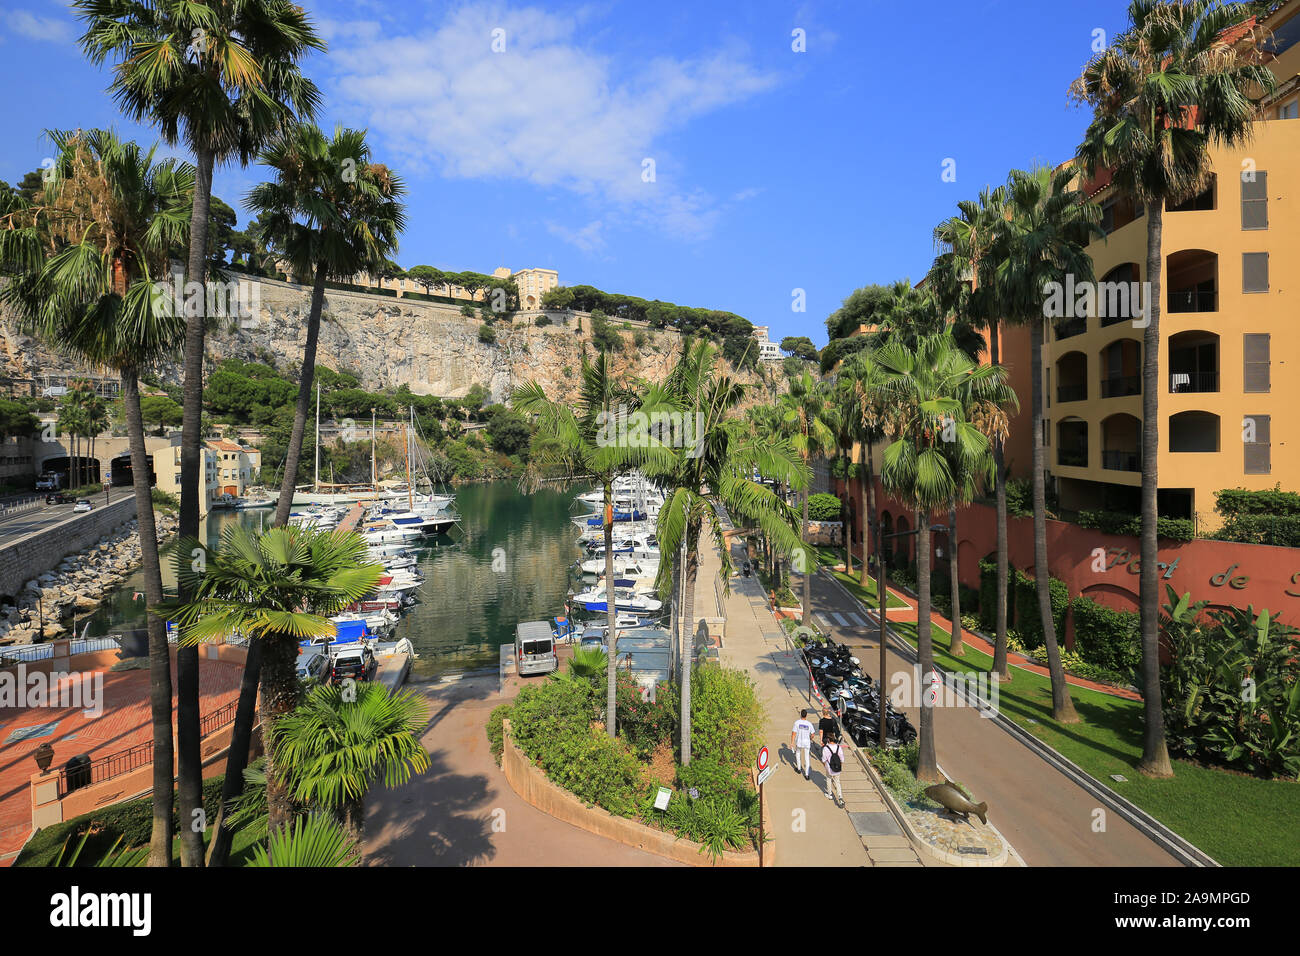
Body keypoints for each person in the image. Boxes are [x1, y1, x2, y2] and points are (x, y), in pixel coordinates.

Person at [822, 731, 848, 806]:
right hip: (837, 768)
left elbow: (823, 760)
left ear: (828, 740)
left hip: (829, 768)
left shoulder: (826, 748)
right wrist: (839, 766)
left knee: (829, 779)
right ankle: (840, 796)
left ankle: (829, 794)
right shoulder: (838, 747)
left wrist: (826, 766)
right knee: (837, 782)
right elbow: (842, 759)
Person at [789, 709, 815, 779]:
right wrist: (810, 738)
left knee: (798, 754)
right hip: (807, 743)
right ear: (806, 715)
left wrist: (792, 743)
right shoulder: (809, 724)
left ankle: (799, 769)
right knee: (807, 758)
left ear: (800, 714)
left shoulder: (797, 723)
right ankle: (806, 774)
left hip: (799, 742)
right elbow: (813, 734)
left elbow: (793, 733)